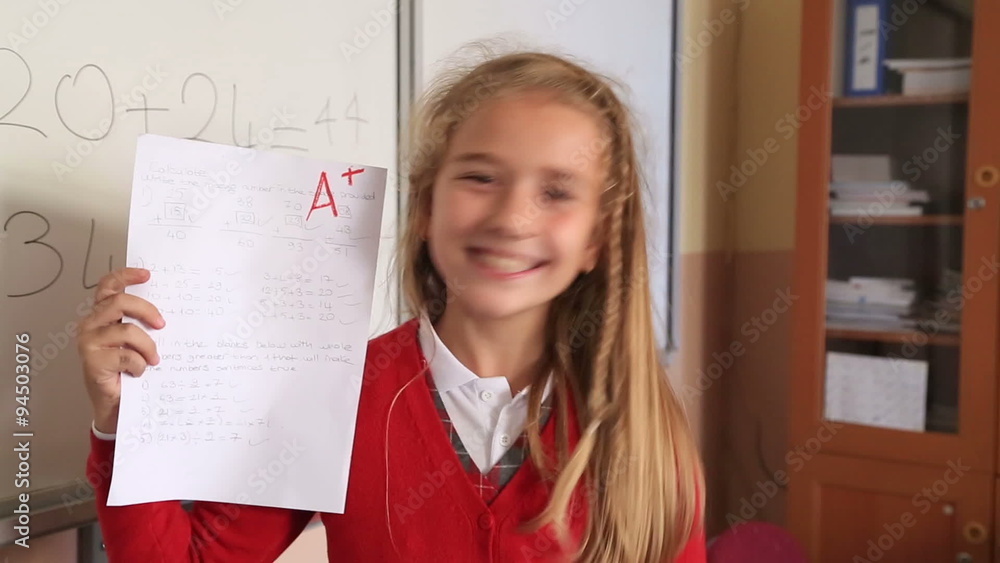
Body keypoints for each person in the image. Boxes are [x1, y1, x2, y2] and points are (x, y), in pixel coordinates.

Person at [77, 49, 706, 562]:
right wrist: (121, 423)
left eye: (556, 191)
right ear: (427, 209)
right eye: (480, 177)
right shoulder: (336, 395)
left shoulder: (639, 430)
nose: (513, 218)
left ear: (596, 238)